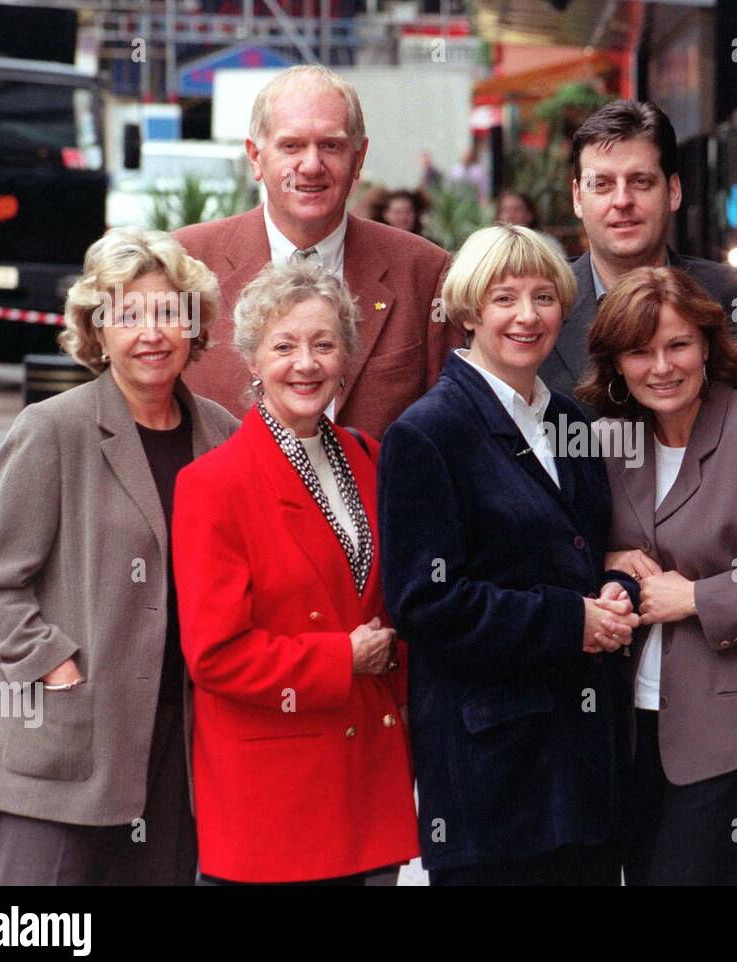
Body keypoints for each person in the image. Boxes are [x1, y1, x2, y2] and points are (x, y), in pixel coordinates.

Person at [0, 228, 237, 884]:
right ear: (98, 329)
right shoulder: (52, 430)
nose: (151, 332)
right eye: (128, 313)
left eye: (170, 312)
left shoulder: (222, 435)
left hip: (176, 758)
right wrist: (56, 666)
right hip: (63, 756)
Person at [377, 225, 641, 885]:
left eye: (545, 297)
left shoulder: (571, 422)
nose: (528, 316)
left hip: (584, 768)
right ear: (469, 310)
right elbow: (425, 604)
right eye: (505, 298)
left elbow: (583, 552)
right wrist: (569, 621)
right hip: (491, 774)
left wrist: (614, 591)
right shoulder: (427, 433)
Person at [578, 266, 737, 885]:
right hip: (630, 724)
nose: (661, 367)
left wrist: (696, 596)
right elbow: (567, 544)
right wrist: (607, 561)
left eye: (678, 345)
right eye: (640, 351)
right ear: (616, 363)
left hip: (734, 725)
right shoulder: (606, 440)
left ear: (708, 346)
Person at [171, 262, 417, 885]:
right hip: (275, 797)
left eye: (323, 344)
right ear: (253, 360)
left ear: (346, 360)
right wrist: (342, 659)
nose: (305, 363)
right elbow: (216, 656)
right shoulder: (212, 486)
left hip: (366, 778)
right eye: (284, 345)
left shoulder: (373, 458)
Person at [174, 64, 463, 439]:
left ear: (359, 158)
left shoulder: (424, 272)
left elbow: (448, 429)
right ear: (255, 157)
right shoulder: (187, 264)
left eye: (331, 145)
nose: (311, 166)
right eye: (291, 145)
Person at [541, 99, 737, 414]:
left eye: (641, 181)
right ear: (577, 197)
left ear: (673, 190)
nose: (621, 200)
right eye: (602, 185)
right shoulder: (537, 311)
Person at [497, 189, 566, 258]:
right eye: (506, 210)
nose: (510, 215)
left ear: (529, 215)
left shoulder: (547, 244)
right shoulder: (493, 244)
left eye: (517, 209)